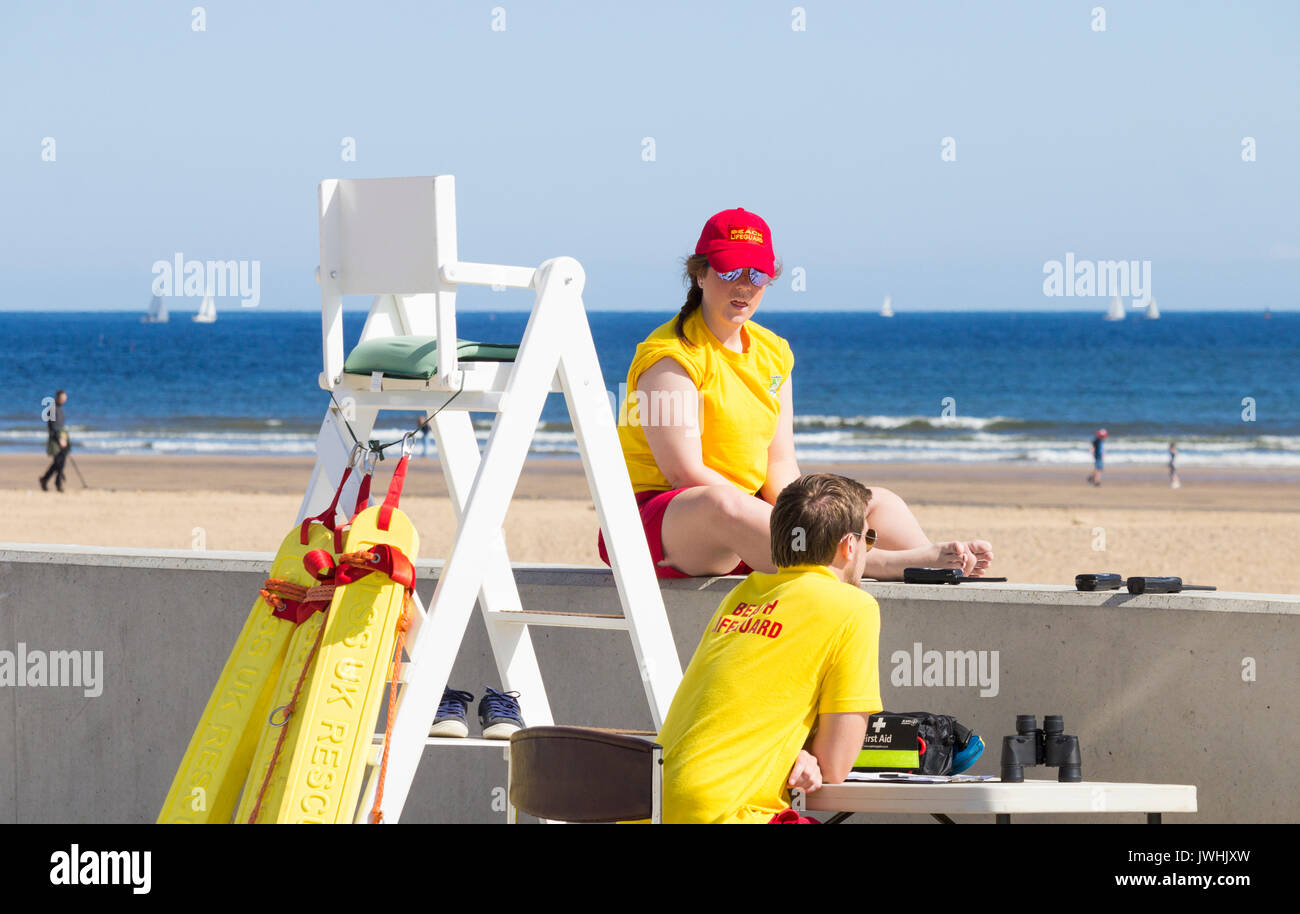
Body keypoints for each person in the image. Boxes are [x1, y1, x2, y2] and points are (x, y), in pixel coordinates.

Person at [596, 207, 992, 580]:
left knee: (873, 501)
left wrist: (807, 514)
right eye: (730, 270)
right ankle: (880, 562)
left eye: (757, 274)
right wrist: (787, 522)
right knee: (721, 503)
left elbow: (780, 464)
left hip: (755, 520)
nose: (744, 285)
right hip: (663, 522)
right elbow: (684, 473)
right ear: (700, 275)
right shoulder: (670, 357)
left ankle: (935, 565)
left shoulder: (774, 352)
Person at [655, 473, 881, 824]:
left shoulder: (744, 594)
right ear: (849, 545)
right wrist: (810, 755)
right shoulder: (854, 606)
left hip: (654, 803)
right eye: (869, 539)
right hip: (724, 811)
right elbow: (836, 765)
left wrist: (800, 754)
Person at [39, 389, 70, 493]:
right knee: (58, 462)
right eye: (63, 398)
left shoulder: (60, 408)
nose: (64, 400)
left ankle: (48, 480)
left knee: (61, 461)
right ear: (58, 398)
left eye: (65, 398)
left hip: (61, 437)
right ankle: (55, 482)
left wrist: (64, 437)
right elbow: (52, 426)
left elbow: (60, 425)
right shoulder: (52, 409)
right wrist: (59, 438)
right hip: (55, 439)